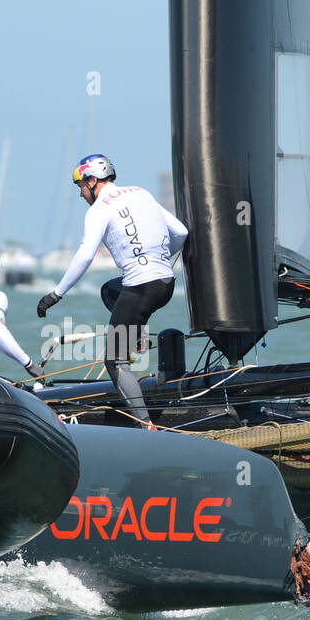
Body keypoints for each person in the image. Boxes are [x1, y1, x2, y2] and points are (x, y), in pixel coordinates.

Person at [36, 153, 188, 424]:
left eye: (82, 186)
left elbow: (85, 254)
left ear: (93, 181)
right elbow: (181, 232)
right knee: (110, 290)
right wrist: (160, 259)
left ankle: (145, 425)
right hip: (164, 284)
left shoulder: (98, 209)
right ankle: (136, 332)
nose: (81, 194)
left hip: (141, 287)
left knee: (115, 362)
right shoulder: (141, 192)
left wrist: (55, 293)